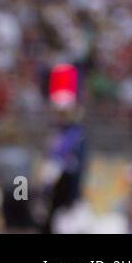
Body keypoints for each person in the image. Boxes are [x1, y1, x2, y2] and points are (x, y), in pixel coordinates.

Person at [39, 64, 86, 233]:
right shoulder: (55, 132)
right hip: (54, 195)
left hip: (67, 197)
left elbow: (73, 165)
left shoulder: (75, 134)